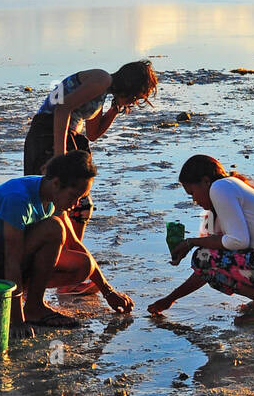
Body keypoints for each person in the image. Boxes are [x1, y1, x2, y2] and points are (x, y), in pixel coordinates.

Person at [23, 60, 158, 293]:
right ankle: (57, 276)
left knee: (75, 208)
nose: (136, 102)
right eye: (137, 97)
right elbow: (62, 109)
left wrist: (116, 108)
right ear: (131, 85)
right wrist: (59, 158)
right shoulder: (101, 79)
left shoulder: (103, 93)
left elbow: (94, 133)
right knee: (63, 205)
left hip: (64, 136)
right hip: (48, 134)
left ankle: (65, 273)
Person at [0, 150, 134, 331]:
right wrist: (18, 322)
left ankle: (34, 304)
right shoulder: (18, 199)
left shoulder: (52, 196)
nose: (75, 205)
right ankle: (30, 309)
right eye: (74, 197)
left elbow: (75, 245)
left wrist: (108, 291)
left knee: (84, 264)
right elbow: (12, 260)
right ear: (57, 183)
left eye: (80, 199)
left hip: (9, 261)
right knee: (54, 228)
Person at [150, 155, 254, 325]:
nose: (194, 201)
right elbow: (207, 269)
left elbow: (235, 243)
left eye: (193, 193)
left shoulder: (220, 188)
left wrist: (192, 243)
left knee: (203, 256)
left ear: (205, 181)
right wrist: (170, 299)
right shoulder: (227, 191)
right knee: (206, 257)